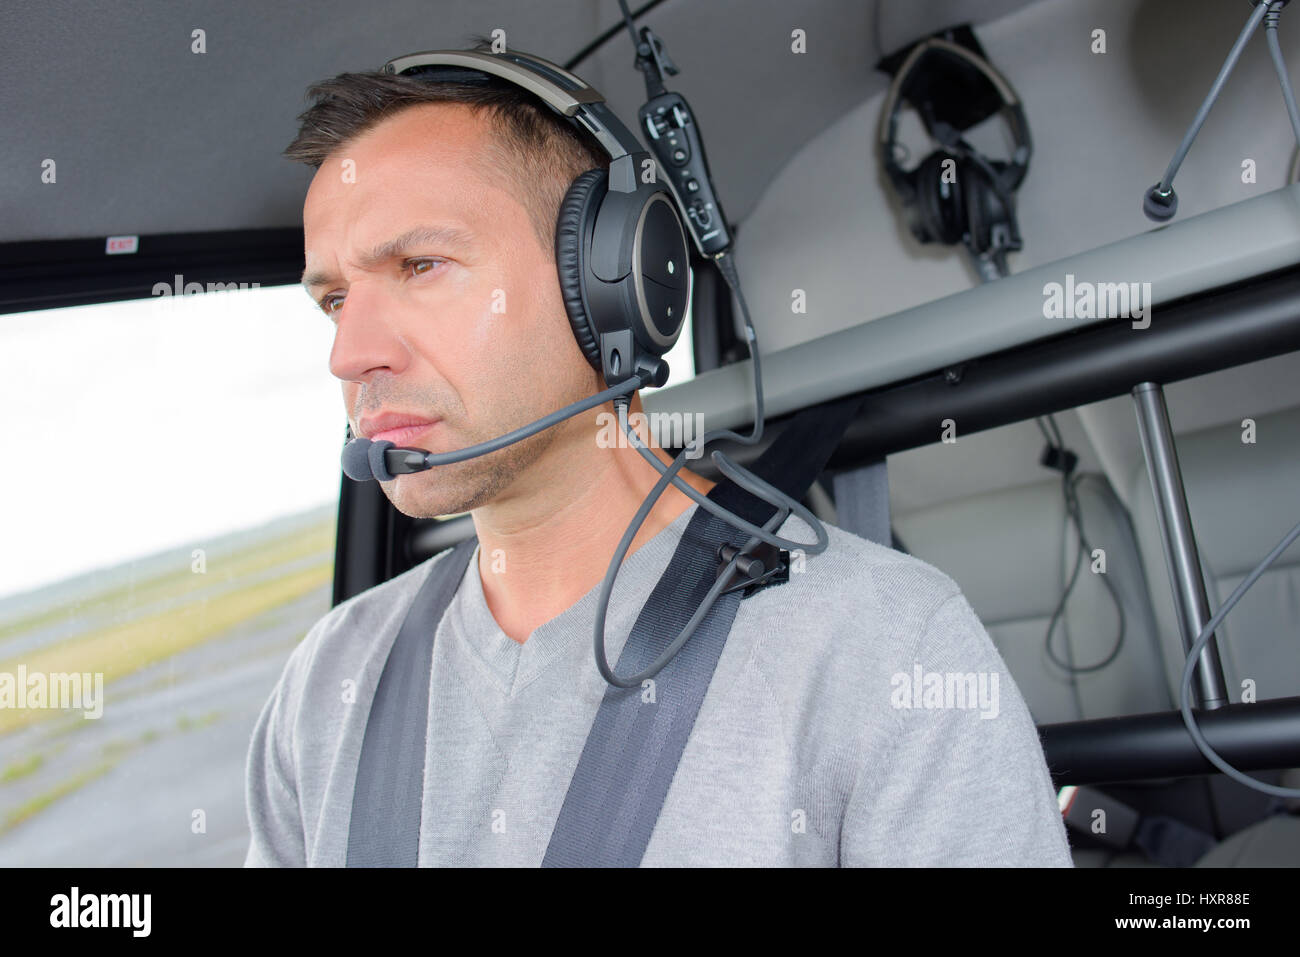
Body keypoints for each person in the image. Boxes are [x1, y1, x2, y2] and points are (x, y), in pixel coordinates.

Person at [243, 42, 1073, 867]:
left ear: (614, 282)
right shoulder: (331, 683)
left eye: (421, 265)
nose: (348, 354)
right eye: (337, 300)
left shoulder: (883, 650)